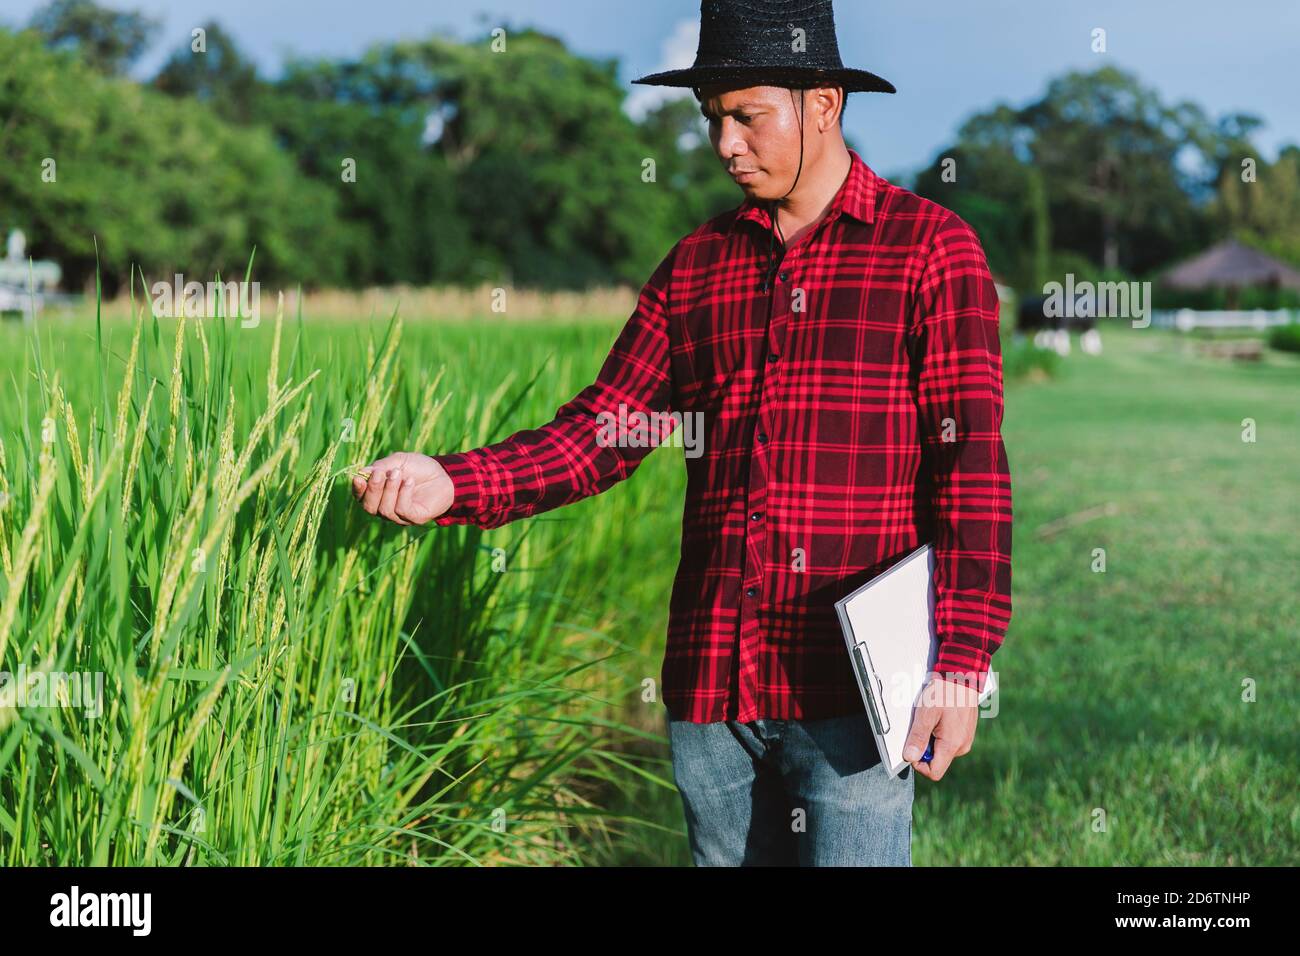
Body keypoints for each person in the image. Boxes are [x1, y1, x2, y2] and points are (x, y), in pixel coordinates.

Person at [351, 0, 1012, 866]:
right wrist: (452, 482)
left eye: (747, 115)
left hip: (852, 694)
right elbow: (601, 433)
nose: (725, 144)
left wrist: (960, 663)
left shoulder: (930, 251)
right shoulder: (697, 266)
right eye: (712, 119)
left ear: (824, 104)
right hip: (713, 689)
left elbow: (971, 469)